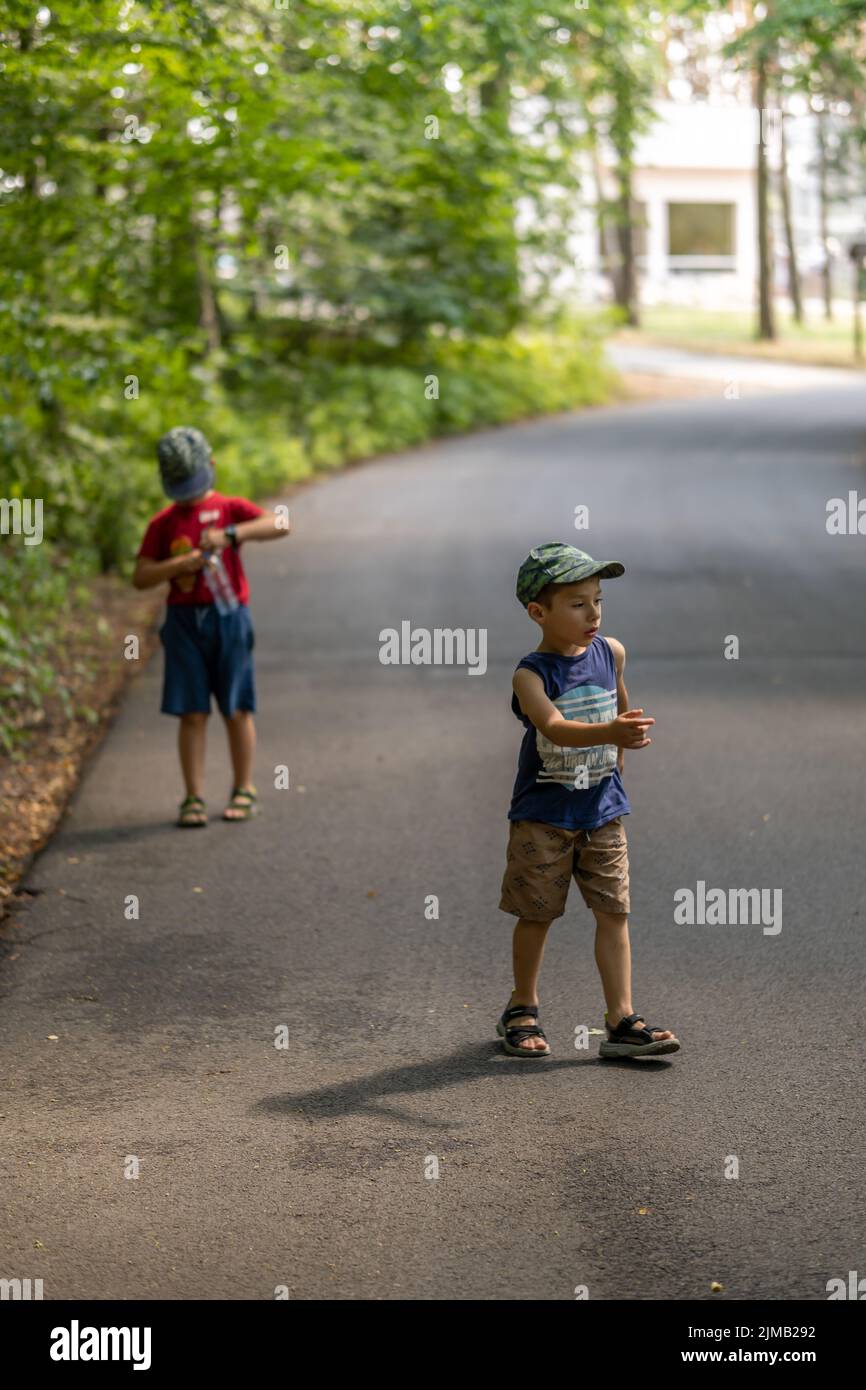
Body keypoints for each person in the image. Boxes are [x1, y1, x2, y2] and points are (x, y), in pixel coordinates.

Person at [497, 542, 680, 1059]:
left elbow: (621, 714)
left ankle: (621, 1019)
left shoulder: (610, 652)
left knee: (614, 912)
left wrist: (627, 739)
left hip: (603, 811)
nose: (593, 612)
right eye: (578, 603)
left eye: (597, 599)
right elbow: (553, 726)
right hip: (544, 818)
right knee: (537, 914)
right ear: (539, 612)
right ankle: (522, 1008)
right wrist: (610, 731)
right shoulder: (531, 674)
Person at [132, 425, 290, 827]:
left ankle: (244, 787)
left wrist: (231, 535)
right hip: (184, 623)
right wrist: (178, 566)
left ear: (211, 466)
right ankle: (193, 796)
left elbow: (281, 522)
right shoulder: (163, 523)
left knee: (236, 707)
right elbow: (141, 576)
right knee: (192, 712)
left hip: (229, 618)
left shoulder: (229, 508)